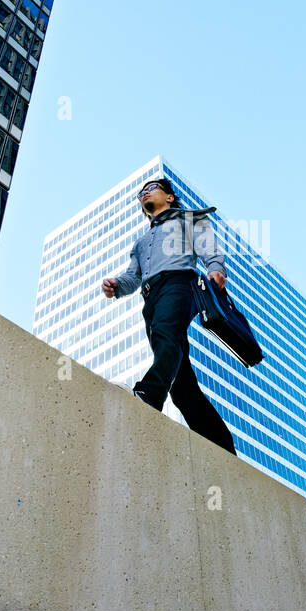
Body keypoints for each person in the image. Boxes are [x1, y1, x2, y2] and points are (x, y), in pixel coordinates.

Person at [101, 178, 236, 455]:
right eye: (141, 193)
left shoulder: (188, 220)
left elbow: (207, 245)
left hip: (179, 284)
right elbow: (133, 277)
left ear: (170, 197)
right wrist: (116, 285)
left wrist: (215, 267)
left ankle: (147, 396)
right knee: (181, 383)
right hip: (151, 298)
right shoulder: (141, 243)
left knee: (167, 336)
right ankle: (221, 447)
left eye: (150, 188)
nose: (144, 193)